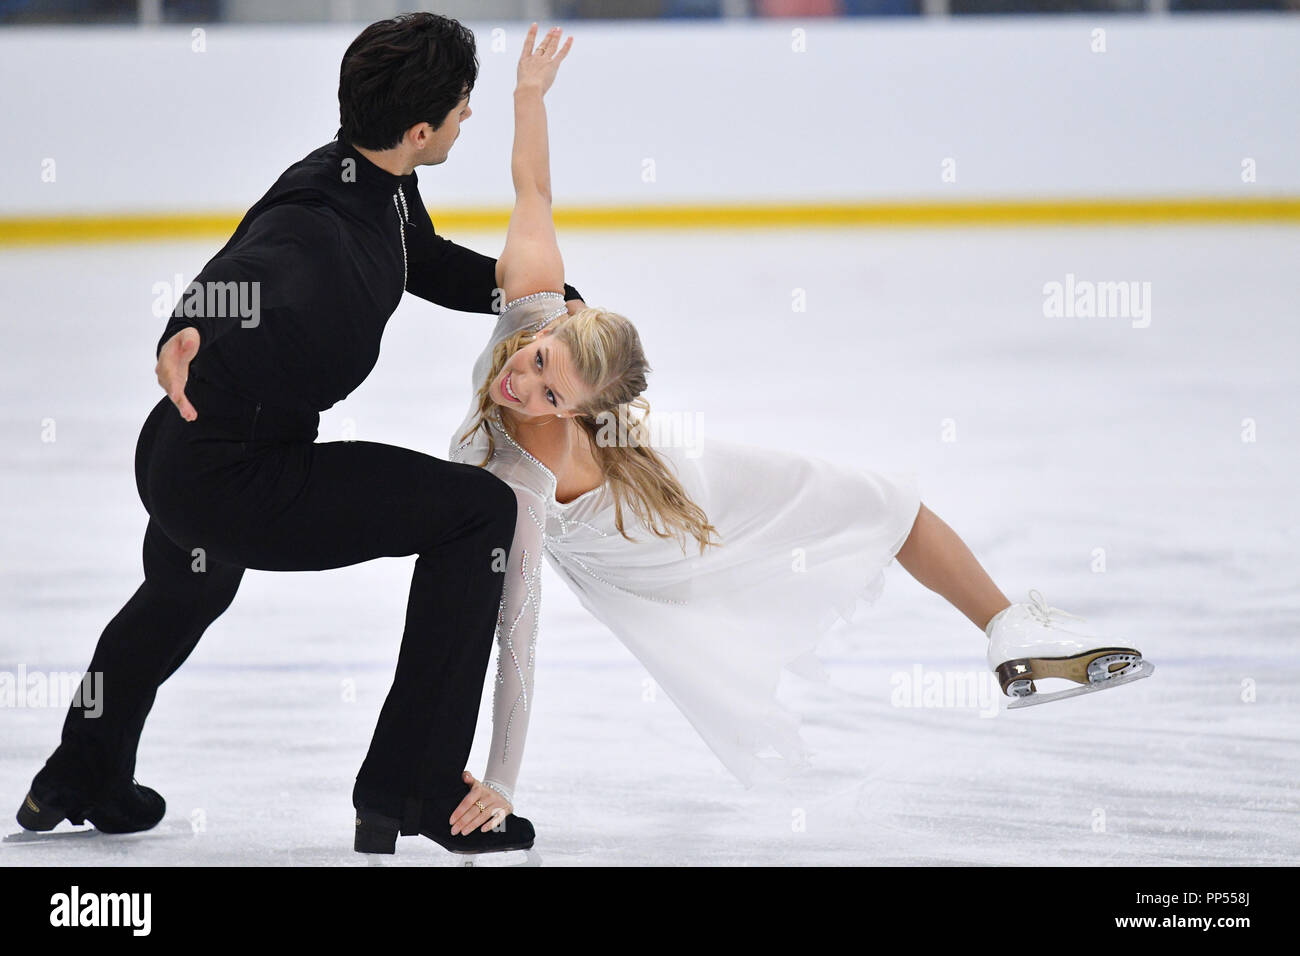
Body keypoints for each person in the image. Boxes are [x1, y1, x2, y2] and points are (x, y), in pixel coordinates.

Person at [443, 25, 1152, 836]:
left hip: (649, 523)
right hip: (644, 495)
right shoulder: (534, 311)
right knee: (859, 518)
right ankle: (1007, 627)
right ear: (552, 319)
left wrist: (502, 782)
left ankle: (1010, 630)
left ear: (578, 413)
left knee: (883, 504)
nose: (519, 379)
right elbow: (533, 192)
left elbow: (518, 640)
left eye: (548, 390)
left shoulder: (529, 478)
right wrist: (527, 96)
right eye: (536, 359)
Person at [16, 13, 581, 857]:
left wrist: (549, 302)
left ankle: (81, 771)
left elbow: (417, 257)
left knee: (184, 591)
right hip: (235, 472)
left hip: (185, 453)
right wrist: (184, 328)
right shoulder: (320, 220)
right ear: (421, 130)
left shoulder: (372, 177)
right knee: (475, 513)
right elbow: (245, 272)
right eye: (464, 110)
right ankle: (415, 786)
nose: (469, 120)